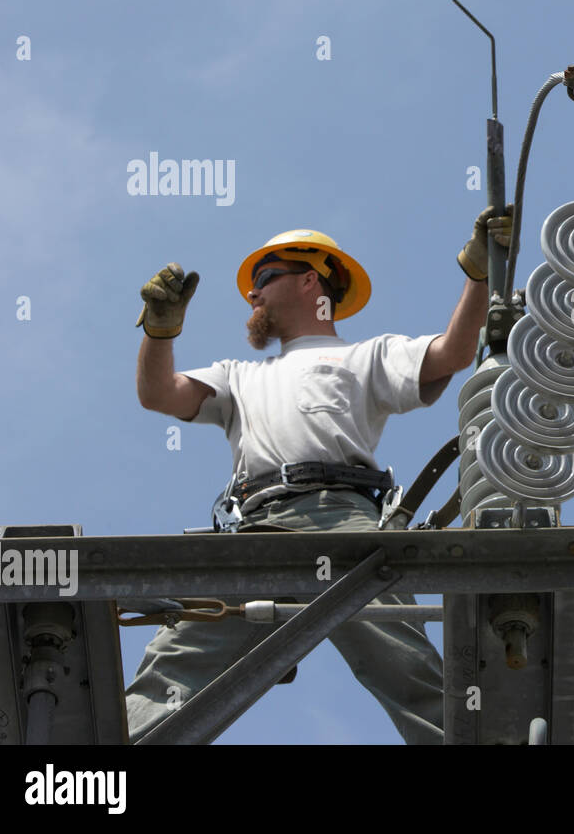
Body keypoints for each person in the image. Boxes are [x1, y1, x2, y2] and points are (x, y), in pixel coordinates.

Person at [126, 209, 510, 743]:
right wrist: (159, 329)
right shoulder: (238, 377)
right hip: (257, 527)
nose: (252, 296)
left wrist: (479, 271)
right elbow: (158, 393)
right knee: (174, 664)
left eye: (264, 280)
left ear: (310, 280)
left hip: (345, 520)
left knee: (408, 670)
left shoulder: (365, 356)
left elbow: (454, 351)